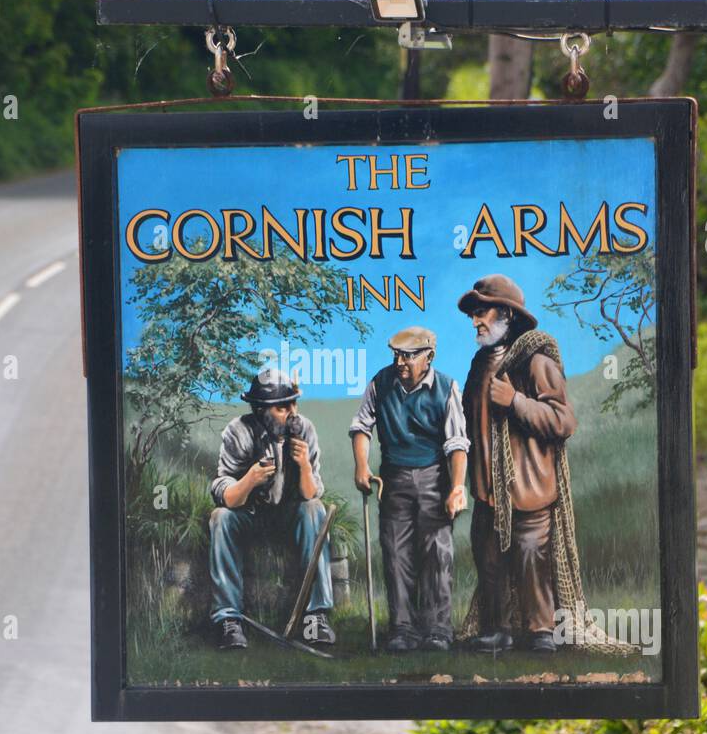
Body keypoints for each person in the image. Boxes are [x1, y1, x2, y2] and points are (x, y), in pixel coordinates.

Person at [458, 275, 577, 654]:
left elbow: (563, 421)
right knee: (488, 561)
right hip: (487, 492)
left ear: (506, 314)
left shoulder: (536, 361)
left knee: (530, 560)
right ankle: (497, 629)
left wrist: (515, 402)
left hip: (528, 491)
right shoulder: (479, 364)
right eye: (474, 314)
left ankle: (541, 630)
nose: (476, 321)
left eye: (483, 312)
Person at [350, 326, 469, 652]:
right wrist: (362, 465)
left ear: (429, 356)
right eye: (397, 355)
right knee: (396, 554)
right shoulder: (381, 382)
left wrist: (457, 486)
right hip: (394, 478)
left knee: (437, 554)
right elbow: (361, 426)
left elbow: (457, 443)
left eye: (409, 355)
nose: (401, 361)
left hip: (434, 477)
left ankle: (438, 630)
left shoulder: (446, 387)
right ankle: (402, 629)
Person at [208, 368, 335, 650]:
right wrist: (249, 480)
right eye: (282, 407)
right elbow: (225, 496)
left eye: (293, 404)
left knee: (314, 509)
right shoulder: (238, 432)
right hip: (251, 516)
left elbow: (310, 493)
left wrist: (303, 465)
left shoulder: (304, 430)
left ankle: (316, 617)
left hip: (290, 517)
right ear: (261, 410)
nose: (291, 412)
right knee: (220, 518)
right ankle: (229, 620)